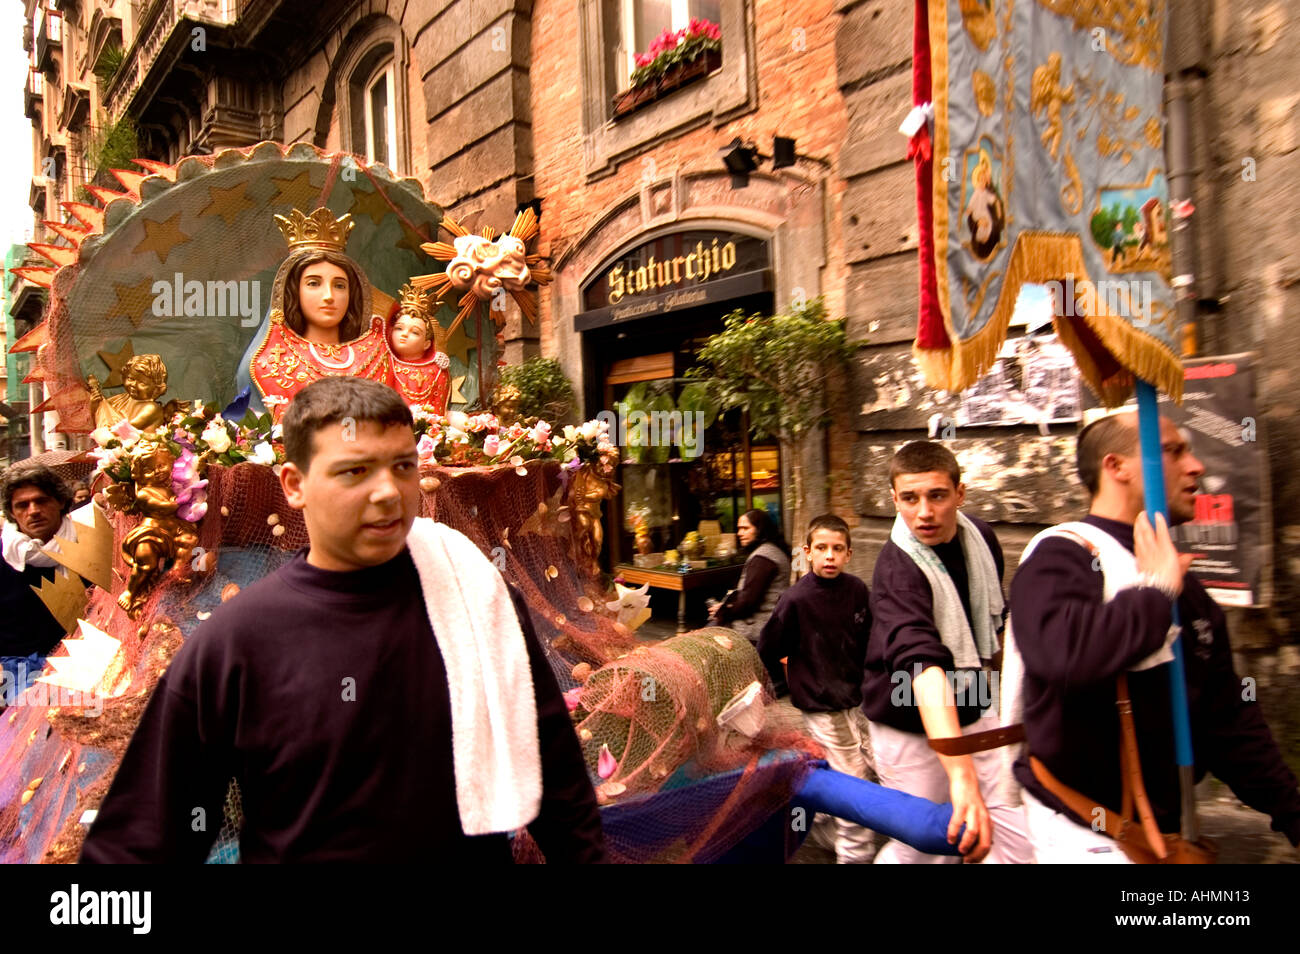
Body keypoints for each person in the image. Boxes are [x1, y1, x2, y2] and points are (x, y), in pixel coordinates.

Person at [81, 376, 605, 863]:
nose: (387, 492)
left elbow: (555, 769)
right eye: (355, 470)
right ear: (293, 484)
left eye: (403, 466)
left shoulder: (476, 594)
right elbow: (144, 837)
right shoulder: (235, 642)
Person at [1008, 412, 1300, 862]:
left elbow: (1230, 722)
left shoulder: (1193, 593)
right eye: (1172, 450)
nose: (1196, 466)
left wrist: (1292, 810)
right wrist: (1155, 592)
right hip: (1083, 828)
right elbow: (1064, 656)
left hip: (1162, 830)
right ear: (1116, 466)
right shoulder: (1062, 554)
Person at [860, 441, 1031, 864]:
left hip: (974, 700)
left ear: (960, 493)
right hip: (907, 718)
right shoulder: (898, 570)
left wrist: (1006, 706)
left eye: (937, 495)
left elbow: (991, 625)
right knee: (927, 848)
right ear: (895, 499)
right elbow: (922, 664)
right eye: (910, 499)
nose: (924, 512)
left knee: (1017, 839)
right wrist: (961, 775)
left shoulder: (981, 538)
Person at [758, 514, 875, 864]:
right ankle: (855, 854)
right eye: (822, 548)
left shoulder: (857, 591)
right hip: (820, 705)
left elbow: (869, 640)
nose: (829, 556)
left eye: (837, 549)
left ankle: (817, 824)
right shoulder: (795, 599)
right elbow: (769, 646)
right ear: (807, 552)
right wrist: (791, 679)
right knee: (854, 782)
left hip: (857, 701)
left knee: (860, 766)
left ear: (849, 554)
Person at [248, 208, 393, 422]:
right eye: (314, 283)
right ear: (293, 292)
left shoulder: (377, 355)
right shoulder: (271, 360)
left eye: (340, 285)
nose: (329, 296)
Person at [0, 464, 75, 697]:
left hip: (83, 663)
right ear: (12, 512)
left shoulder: (92, 542)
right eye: (22, 505)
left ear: (61, 502)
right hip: (16, 671)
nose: (33, 511)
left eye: (41, 501)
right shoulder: (3, 553)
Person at [710, 508, 791, 645]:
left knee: (704, 641)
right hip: (765, 623)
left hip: (760, 628)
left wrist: (723, 611)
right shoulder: (770, 551)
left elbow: (747, 603)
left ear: (760, 530)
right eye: (739, 529)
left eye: (745, 528)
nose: (739, 533)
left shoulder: (763, 557)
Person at [386, 282, 451, 410]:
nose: (404, 334)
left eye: (415, 332)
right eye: (399, 328)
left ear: (427, 344)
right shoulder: (385, 362)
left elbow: (439, 410)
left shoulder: (437, 371)